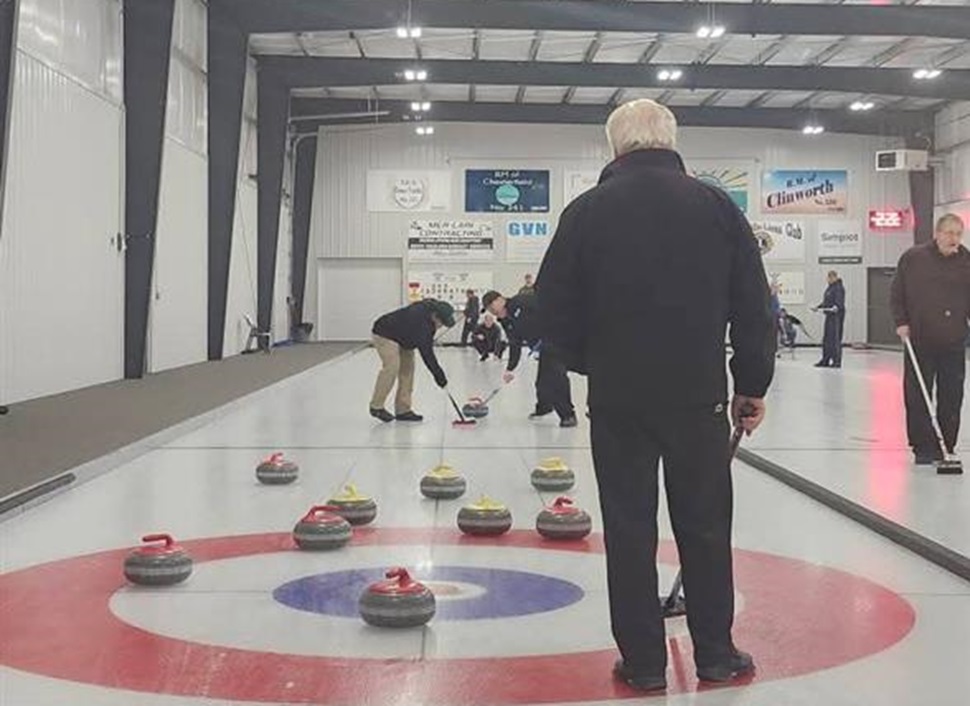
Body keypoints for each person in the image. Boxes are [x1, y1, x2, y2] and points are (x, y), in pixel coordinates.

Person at [537, 99, 776, 690]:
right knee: (704, 527)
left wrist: (591, 364)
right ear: (672, 142)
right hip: (698, 398)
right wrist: (752, 384)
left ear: (614, 147)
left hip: (618, 400)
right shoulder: (717, 207)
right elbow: (754, 305)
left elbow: (550, 307)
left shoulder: (586, 212)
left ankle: (643, 664)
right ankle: (716, 655)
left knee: (628, 529)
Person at [890, 213, 970, 465]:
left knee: (951, 395)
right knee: (917, 395)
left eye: (958, 234)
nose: (954, 238)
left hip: (954, 340)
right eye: (949, 233)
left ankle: (947, 444)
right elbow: (897, 293)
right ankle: (923, 447)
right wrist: (901, 322)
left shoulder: (967, 261)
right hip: (920, 339)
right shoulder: (913, 258)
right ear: (937, 233)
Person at [481, 289, 578, 427]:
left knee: (556, 378)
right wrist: (510, 369)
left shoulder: (521, 301)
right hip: (543, 348)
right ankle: (544, 407)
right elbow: (515, 344)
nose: (491, 311)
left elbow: (548, 307)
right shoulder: (505, 321)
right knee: (542, 382)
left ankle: (568, 415)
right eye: (488, 309)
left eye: (492, 306)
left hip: (556, 340)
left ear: (500, 299)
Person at [369, 299, 455, 423]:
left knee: (408, 372)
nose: (441, 326)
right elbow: (427, 355)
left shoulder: (430, 320)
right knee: (392, 367)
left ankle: (403, 410)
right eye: (442, 322)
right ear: (435, 316)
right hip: (385, 333)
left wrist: (439, 377)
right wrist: (440, 376)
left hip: (405, 339)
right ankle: (376, 406)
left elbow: (424, 345)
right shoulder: (421, 321)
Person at [812, 271, 846, 367]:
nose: (828, 280)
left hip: (836, 317)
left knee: (835, 339)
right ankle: (825, 359)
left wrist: (836, 306)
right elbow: (826, 302)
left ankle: (836, 361)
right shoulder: (829, 288)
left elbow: (839, 302)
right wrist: (818, 307)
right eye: (828, 278)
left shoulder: (839, 288)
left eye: (830, 278)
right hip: (829, 316)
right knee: (827, 339)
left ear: (834, 277)